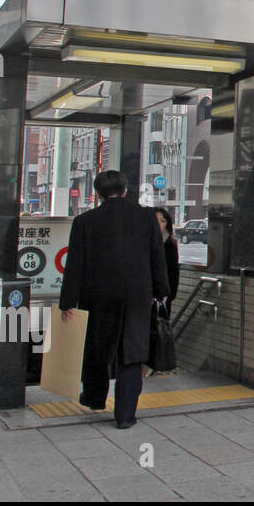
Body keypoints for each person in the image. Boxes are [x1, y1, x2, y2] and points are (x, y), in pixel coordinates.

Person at [59, 170, 169, 430]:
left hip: (97, 295)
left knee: (98, 347)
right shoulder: (145, 218)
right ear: (125, 190)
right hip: (137, 295)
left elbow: (75, 265)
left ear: (97, 194)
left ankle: (95, 399)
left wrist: (68, 301)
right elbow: (156, 256)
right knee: (131, 353)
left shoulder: (85, 221)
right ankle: (125, 416)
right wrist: (161, 290)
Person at [154, 207, 180, 320]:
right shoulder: (139, 243)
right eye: (156, 220)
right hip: (142, 299)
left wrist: (167, 296)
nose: (159, 224)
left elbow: (173, 272)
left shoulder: (170, 245)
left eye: (163, 221)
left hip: (162, 298)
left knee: (159, 331)